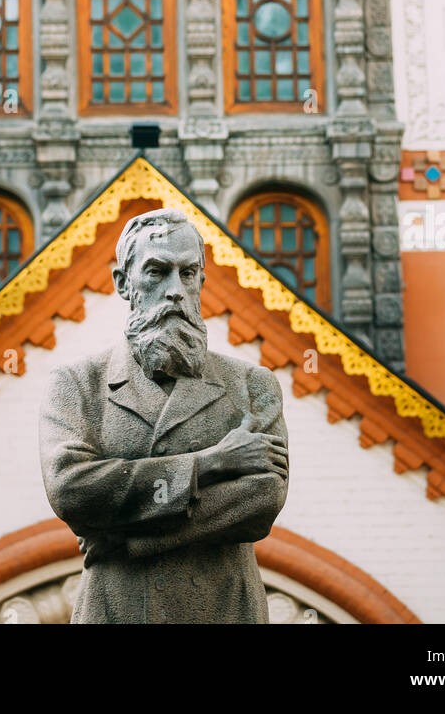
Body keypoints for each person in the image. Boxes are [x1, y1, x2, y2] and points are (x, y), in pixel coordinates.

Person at [39, 207, 289, 624]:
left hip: (223, 608)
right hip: (118, 608)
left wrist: (123, 538)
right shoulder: (78, 384)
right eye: (157, 272)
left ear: (201, 282)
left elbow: (261, 500)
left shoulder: (251, 384)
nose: (175, 290)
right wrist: (210, 464)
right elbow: (73, 491)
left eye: (187, 273)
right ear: (124, 282)